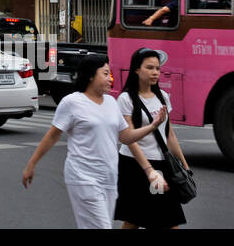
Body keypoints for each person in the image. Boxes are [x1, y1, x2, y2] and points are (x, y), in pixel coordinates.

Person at [21, 54, 169, 228]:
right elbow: (53, 135)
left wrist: (153, 126)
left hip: (109, 178)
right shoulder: (72, 102)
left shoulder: (111, 103)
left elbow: (126, 137)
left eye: (110, 74)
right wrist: (31, 164)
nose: (110, 78)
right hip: (83, 176)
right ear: (91, 75)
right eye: (105, 74)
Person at [115, 48, 190, 229]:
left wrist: (184, 164)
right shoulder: (126, 99)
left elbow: (169, 134)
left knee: (145, 218)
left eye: (157, 68)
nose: (155, 72)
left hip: (160, 164)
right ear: (136, 70)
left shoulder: (162, 96)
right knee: (146, 218)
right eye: (149, 67)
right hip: (135, 165)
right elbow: (128, 138)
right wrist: (149, 170)